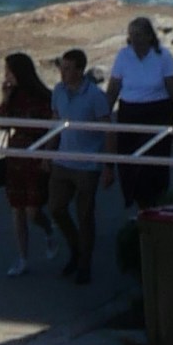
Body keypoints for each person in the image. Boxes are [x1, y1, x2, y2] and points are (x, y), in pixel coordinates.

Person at [109, 14, 173, 223]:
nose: (135, 39)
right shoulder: (123, 56)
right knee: (128, 160)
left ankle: (154, 205)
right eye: (131, 35)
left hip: (157, 112)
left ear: (150, 36)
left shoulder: (163, 57)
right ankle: (139, 204)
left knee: (152, 164)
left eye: (139, 34)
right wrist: (105, 111)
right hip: (129, 111)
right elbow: (114, 85)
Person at [49, 44, 110, 286]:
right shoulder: (58, 91)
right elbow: (55, 122)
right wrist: (47, 153)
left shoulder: (95, 96)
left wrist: (108, 165)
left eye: (67, 68)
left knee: (85, 215)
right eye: (61, 67)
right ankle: (75, 247)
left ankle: (84, 264)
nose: (62, 72)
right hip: (62, 160)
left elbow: (109, 130)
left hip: (88, 163)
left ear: (79, 70)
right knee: (56, 208)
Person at [0, 46, 56, 275]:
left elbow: (51, 127)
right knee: (17, 208)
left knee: (33, 211)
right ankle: (22, 257)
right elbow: (0, 122)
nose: (6, 76)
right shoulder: (13, 98)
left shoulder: (42, 98)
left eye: (9, 71)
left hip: (35, 156)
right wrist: (5, 98)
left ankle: (49, 230)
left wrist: (47, 156)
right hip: (16, 156)